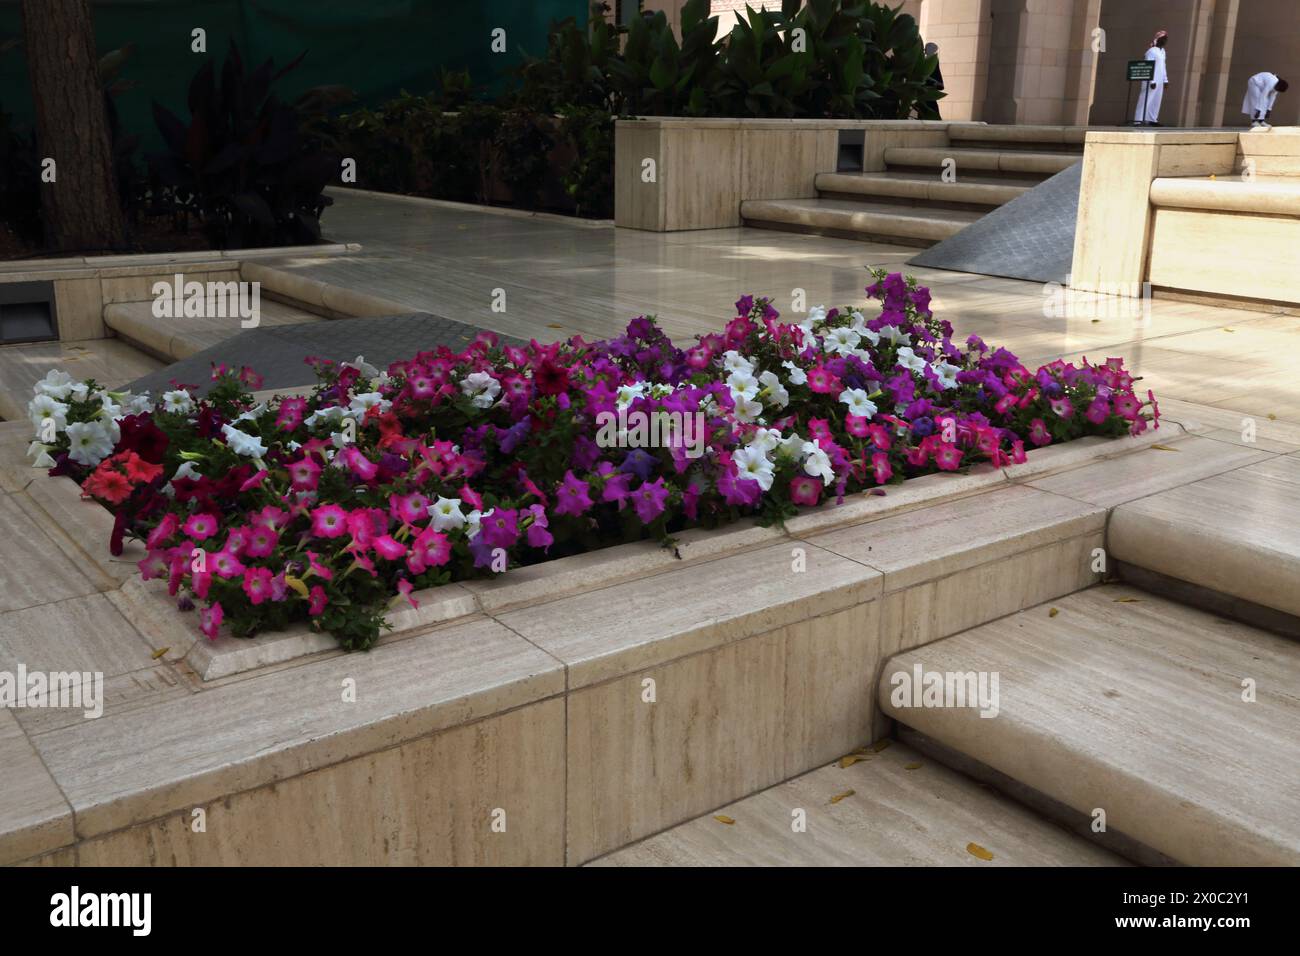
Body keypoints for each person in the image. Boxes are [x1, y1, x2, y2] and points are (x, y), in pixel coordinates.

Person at [1134, 30, 1170, 126]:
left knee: (1156, 100)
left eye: (1166, 39)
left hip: (1159, 80)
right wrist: (1152, 81)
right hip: (1150, 80)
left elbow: (1163, 66)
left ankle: (1152, 119)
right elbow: (1148, 66)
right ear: (1158, 39)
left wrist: (1165, 80)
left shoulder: (1162, 52)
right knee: (1145, 99)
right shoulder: (1151, 51)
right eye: (1163, 39)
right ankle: (1138, 120)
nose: (1165, 41)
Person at [924, 42, 944, 120]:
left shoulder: (933, 61)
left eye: (926, 48)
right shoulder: (927, 60)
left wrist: (936, 83)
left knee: (931, 107)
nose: (924, 50)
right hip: (925, 90)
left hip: (929, 89)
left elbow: (936, 74)